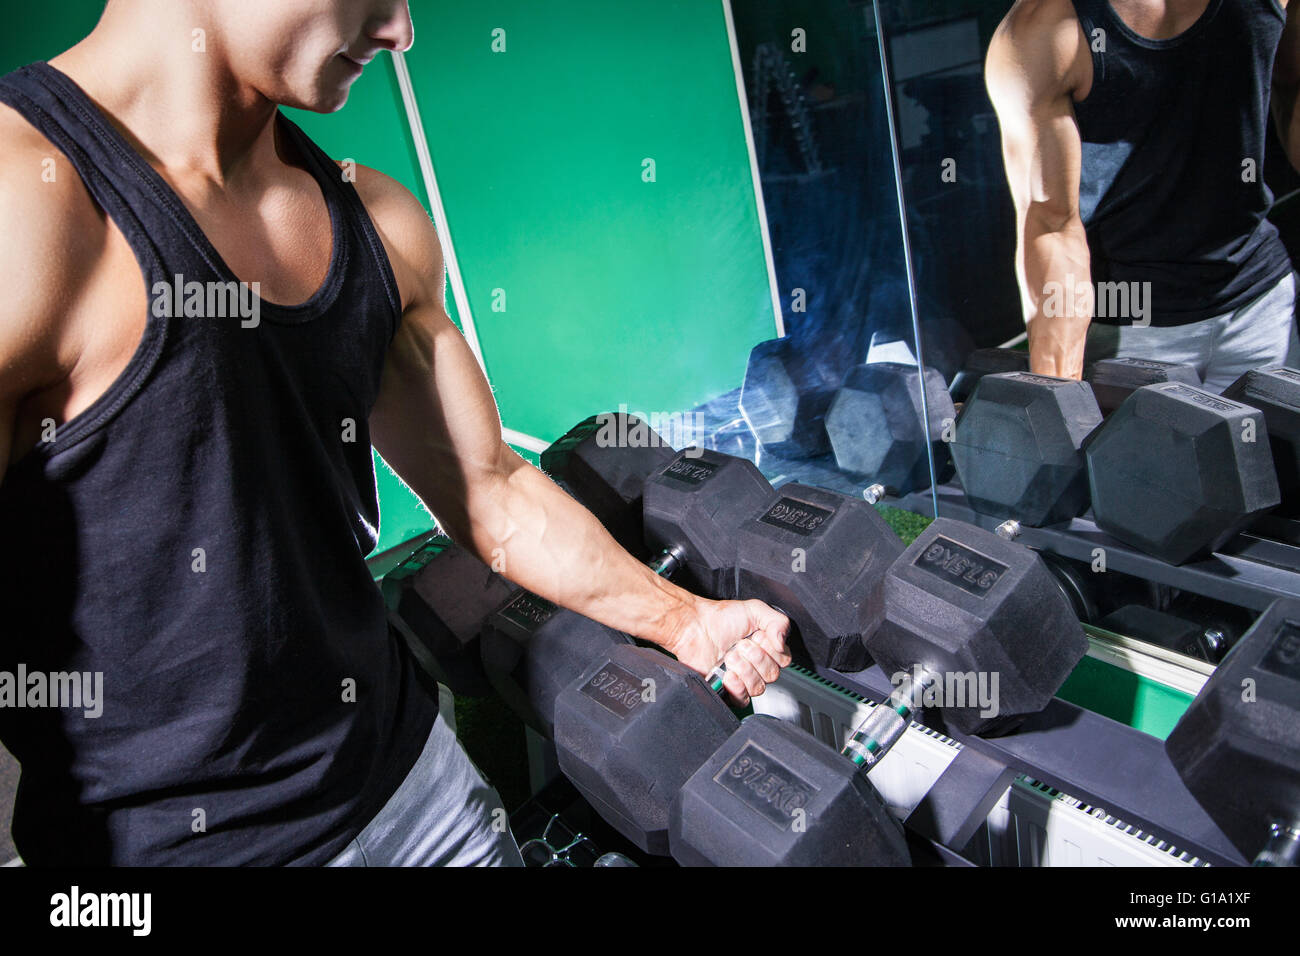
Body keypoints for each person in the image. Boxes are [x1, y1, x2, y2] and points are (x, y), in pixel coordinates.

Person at [0, 0, 791, 866]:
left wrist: (684, 623)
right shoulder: (24, 207)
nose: (400, 31)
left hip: (419, 796)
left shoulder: (374, 217)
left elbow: (494, 493)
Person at [986, 0, 1300, 390]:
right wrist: (1058, 400)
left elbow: (1291, 79)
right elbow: (1051, 226)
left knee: (1271, 450)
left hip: (1261, 304)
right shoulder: (1045, 28)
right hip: (1132, 331)